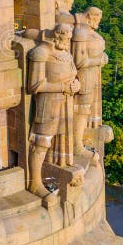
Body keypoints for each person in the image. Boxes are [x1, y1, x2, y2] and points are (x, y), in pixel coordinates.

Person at [27, 23, 80, 199]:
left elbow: (74, 74)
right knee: (41, 143)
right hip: (48, 104)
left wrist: (76, 84)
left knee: (60, 138)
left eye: (68, 39)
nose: (66, 42)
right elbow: (35, 85)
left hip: (65, 103)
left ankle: (52, 170)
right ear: (56, 36)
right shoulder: (41, 53)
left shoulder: (66, 54)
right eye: (64, 38)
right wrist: (63, 86)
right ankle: (35, 182)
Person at [72, 7, 107, 157]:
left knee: (85, 109)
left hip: (92, 76)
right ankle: (76, 144)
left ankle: (78, 141)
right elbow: (79, 61)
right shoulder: (80, 33)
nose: (98, 22)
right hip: (84, 77)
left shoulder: (88, 33)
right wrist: (99, 59)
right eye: (97, 19)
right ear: (89, 17)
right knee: (81, 109)